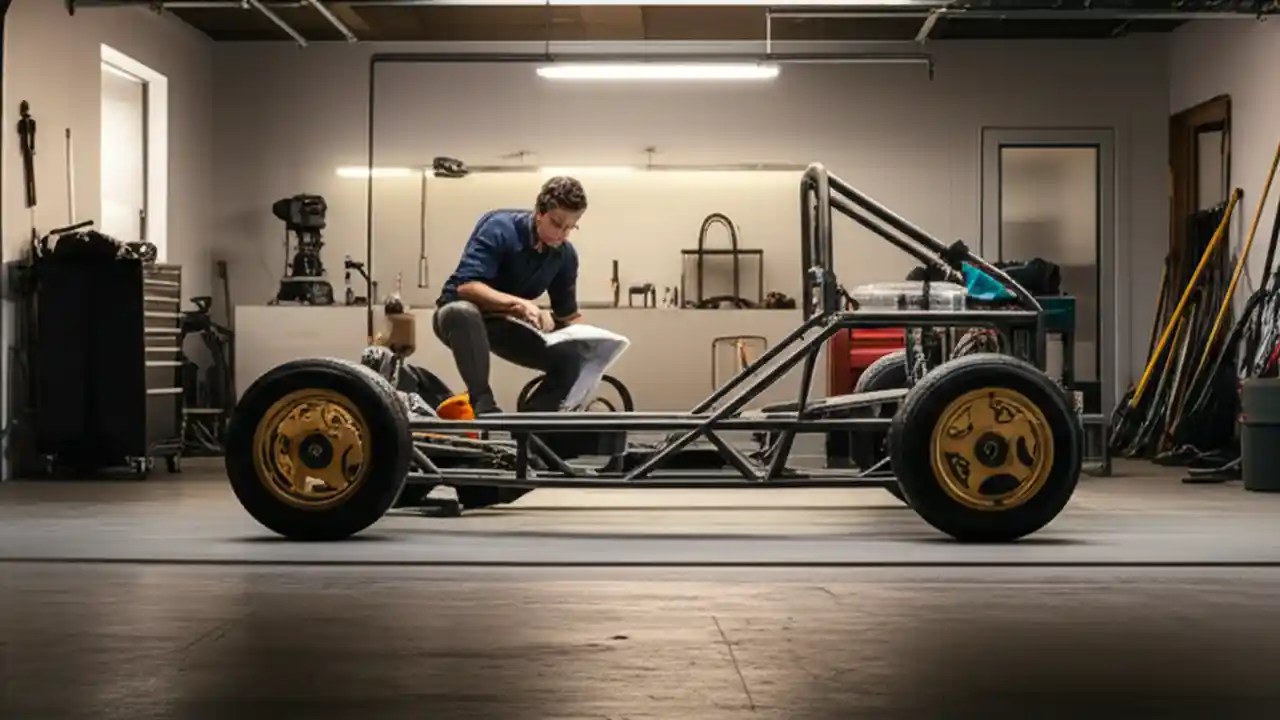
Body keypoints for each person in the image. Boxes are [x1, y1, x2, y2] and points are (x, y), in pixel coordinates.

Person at [432, 176, 588, 415]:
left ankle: (535, 425)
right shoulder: (499, 227)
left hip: (504, 324)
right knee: (462, 312)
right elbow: (467, 287)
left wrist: (595, 345)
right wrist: (519, 303)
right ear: (539, 212)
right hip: (459, 319)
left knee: (570, 359)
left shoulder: (565, 256)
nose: (563, 234)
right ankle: (483, 403)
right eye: (557, 224)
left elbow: (568, 315)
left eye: (570, 227)